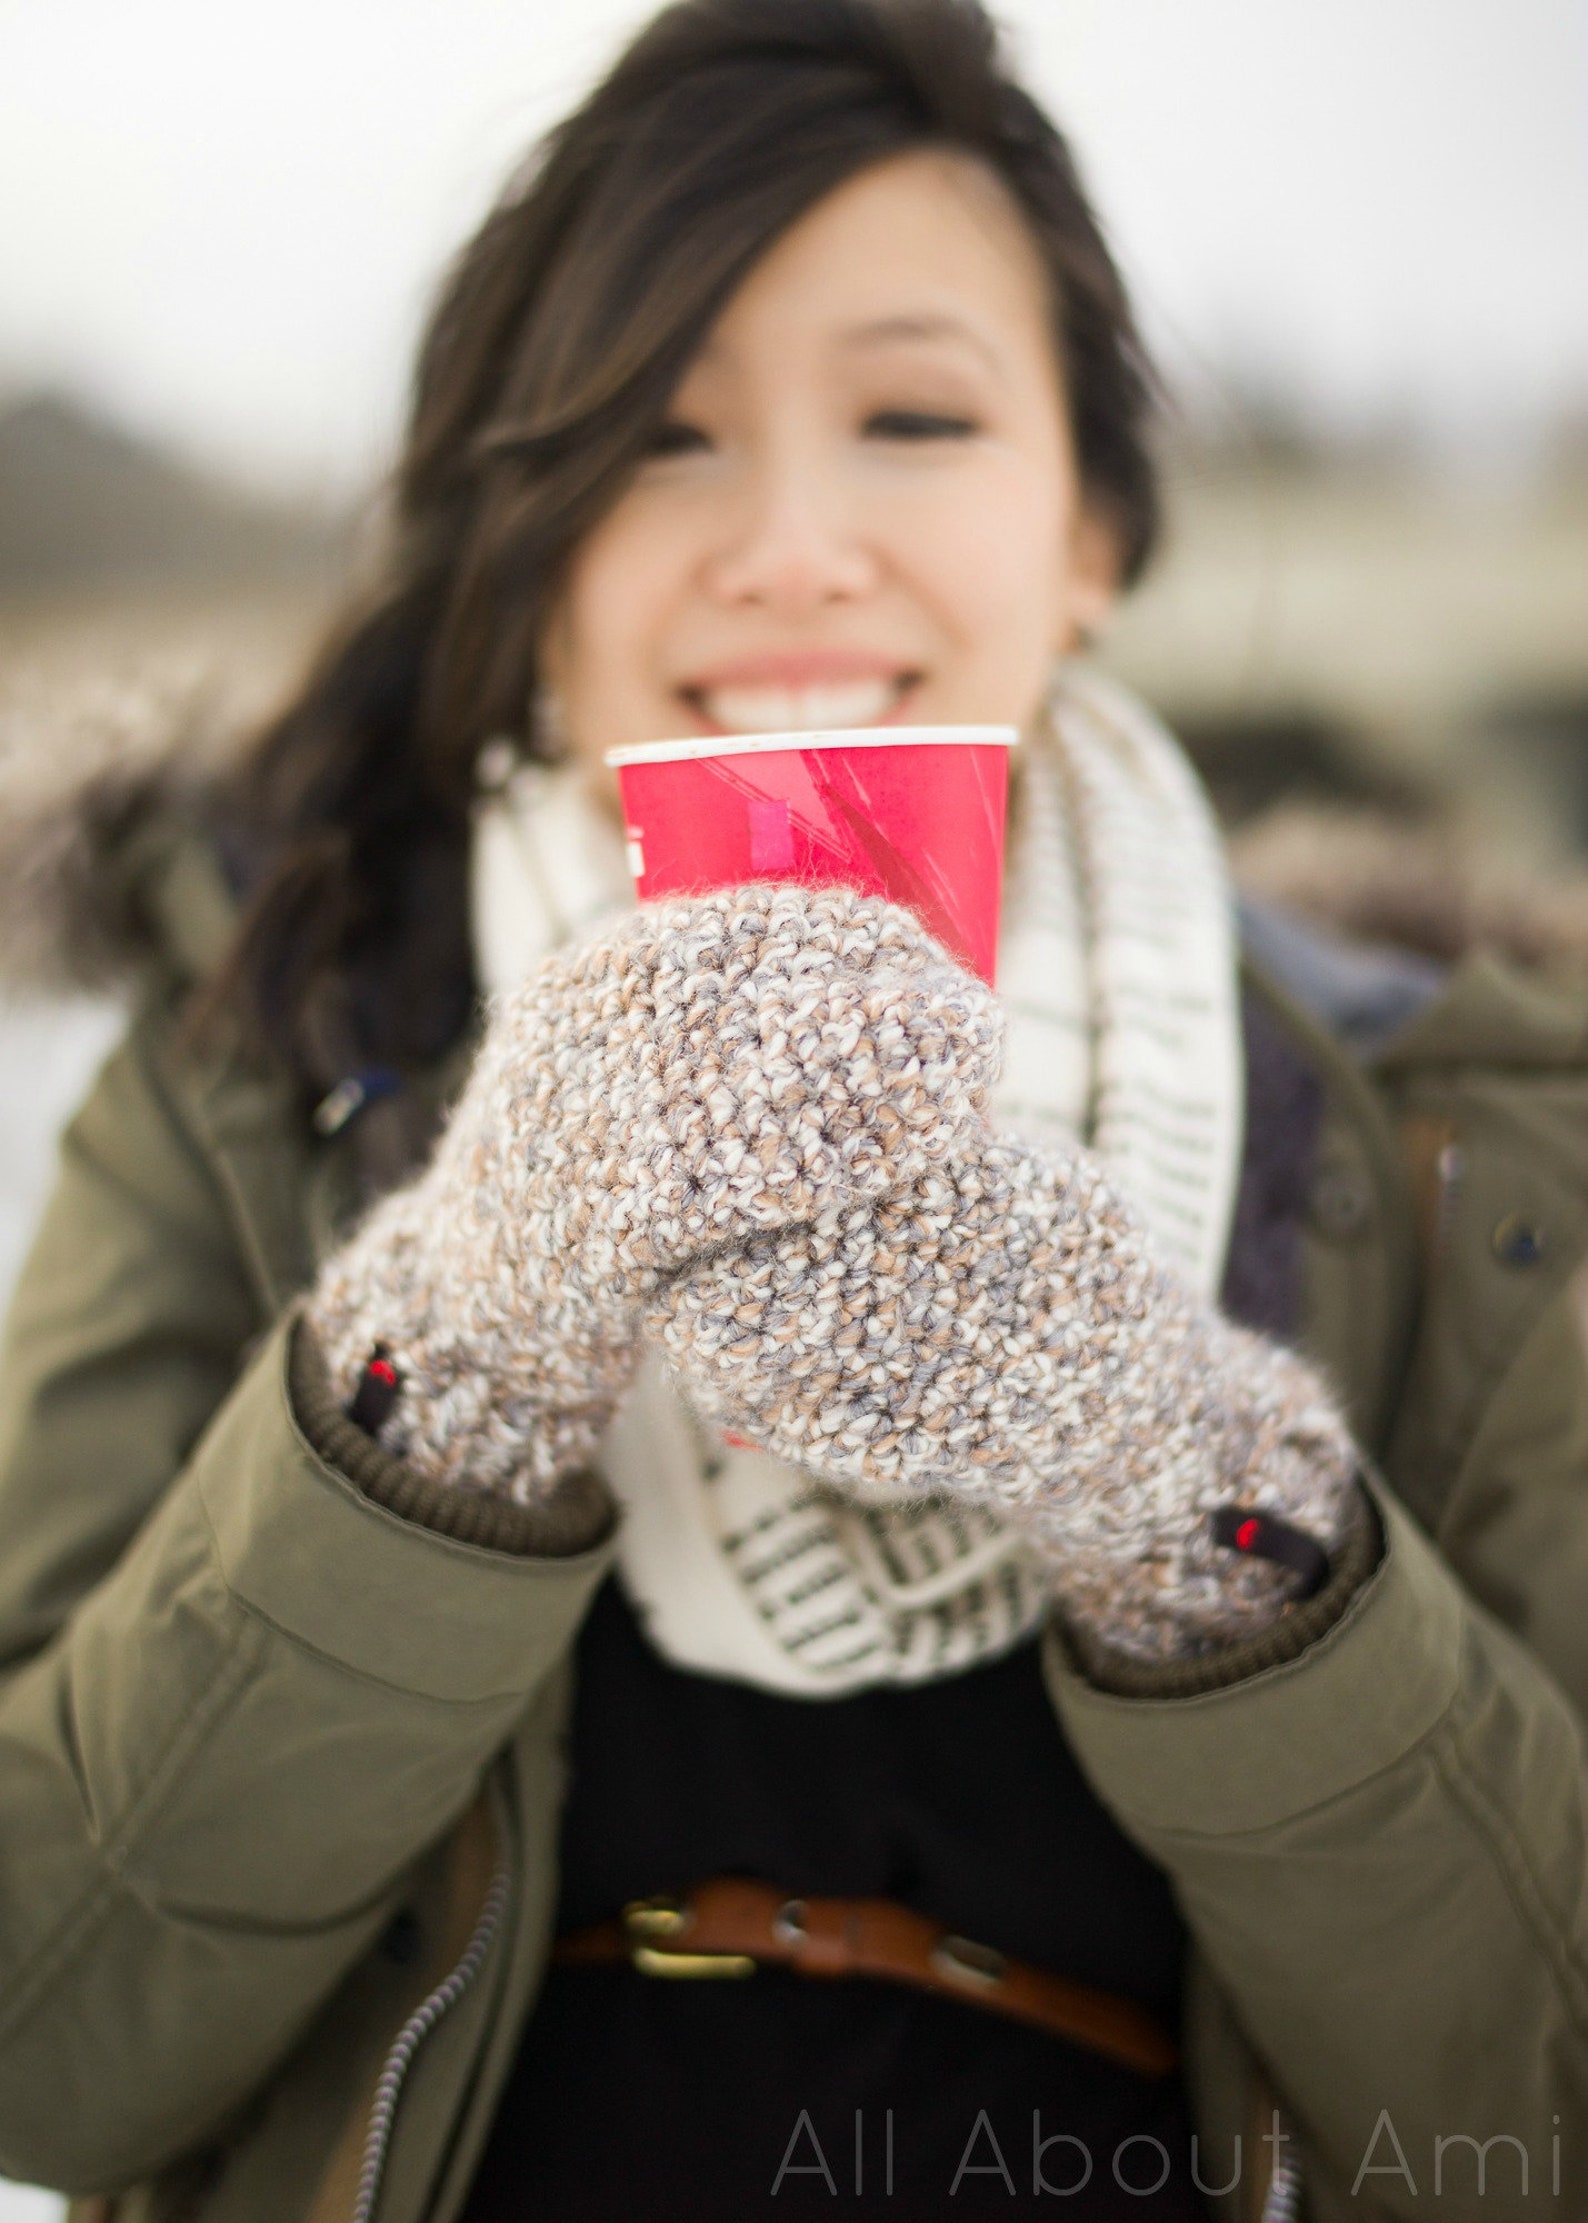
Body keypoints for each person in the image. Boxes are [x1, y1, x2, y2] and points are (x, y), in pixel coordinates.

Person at [0, 2, 1585, 2217]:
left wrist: (1184, 1481)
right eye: (661, 439)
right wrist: (446, 1357)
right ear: (528, 559)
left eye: (914, 415)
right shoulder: (250, 1064)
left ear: (1091, 533)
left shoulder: (1461, 1147)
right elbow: (39, 2041)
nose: (792, 544)